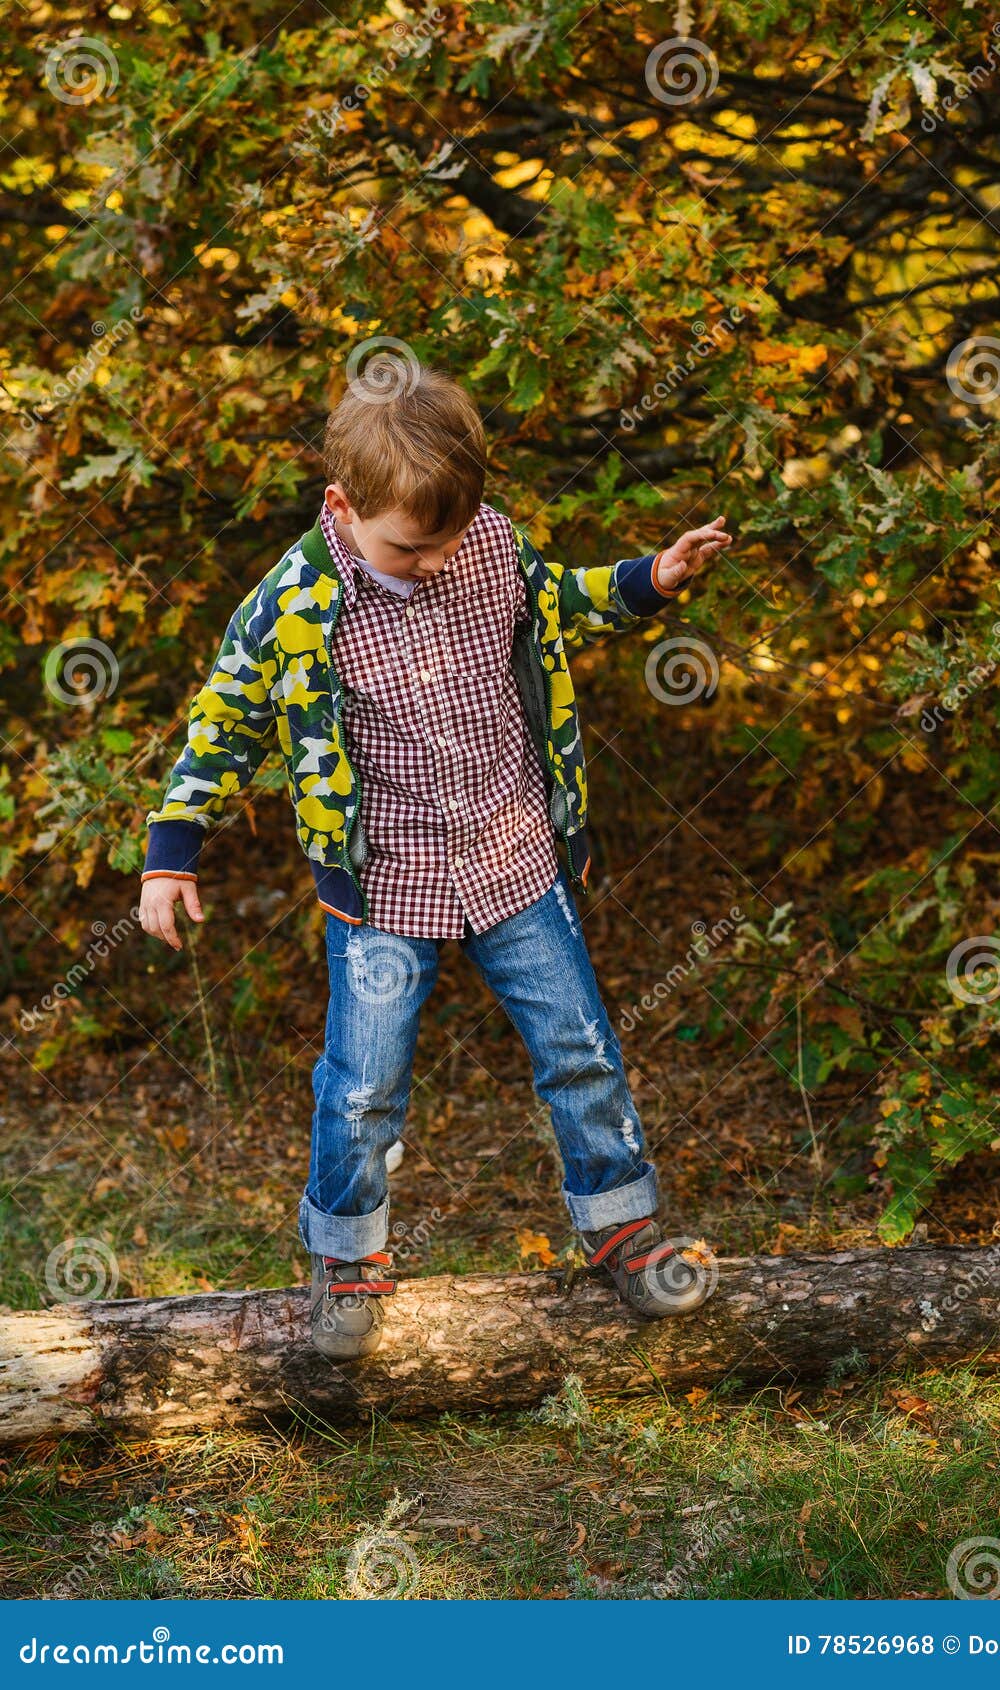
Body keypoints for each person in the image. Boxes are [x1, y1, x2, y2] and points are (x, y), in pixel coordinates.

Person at [138, 361, 733, 1358]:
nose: (436, 560)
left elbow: (562, 600)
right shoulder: (292, 602)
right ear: (345, 505)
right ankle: (348, 1255)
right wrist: (171, 852)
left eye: (453, 538)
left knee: (582, 1048)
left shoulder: (488, 542)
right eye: (412, 547)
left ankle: (623, 1224)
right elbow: (222, 720)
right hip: (383, 884)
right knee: (364, 1085)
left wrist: (650, 581)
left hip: (512, 856)